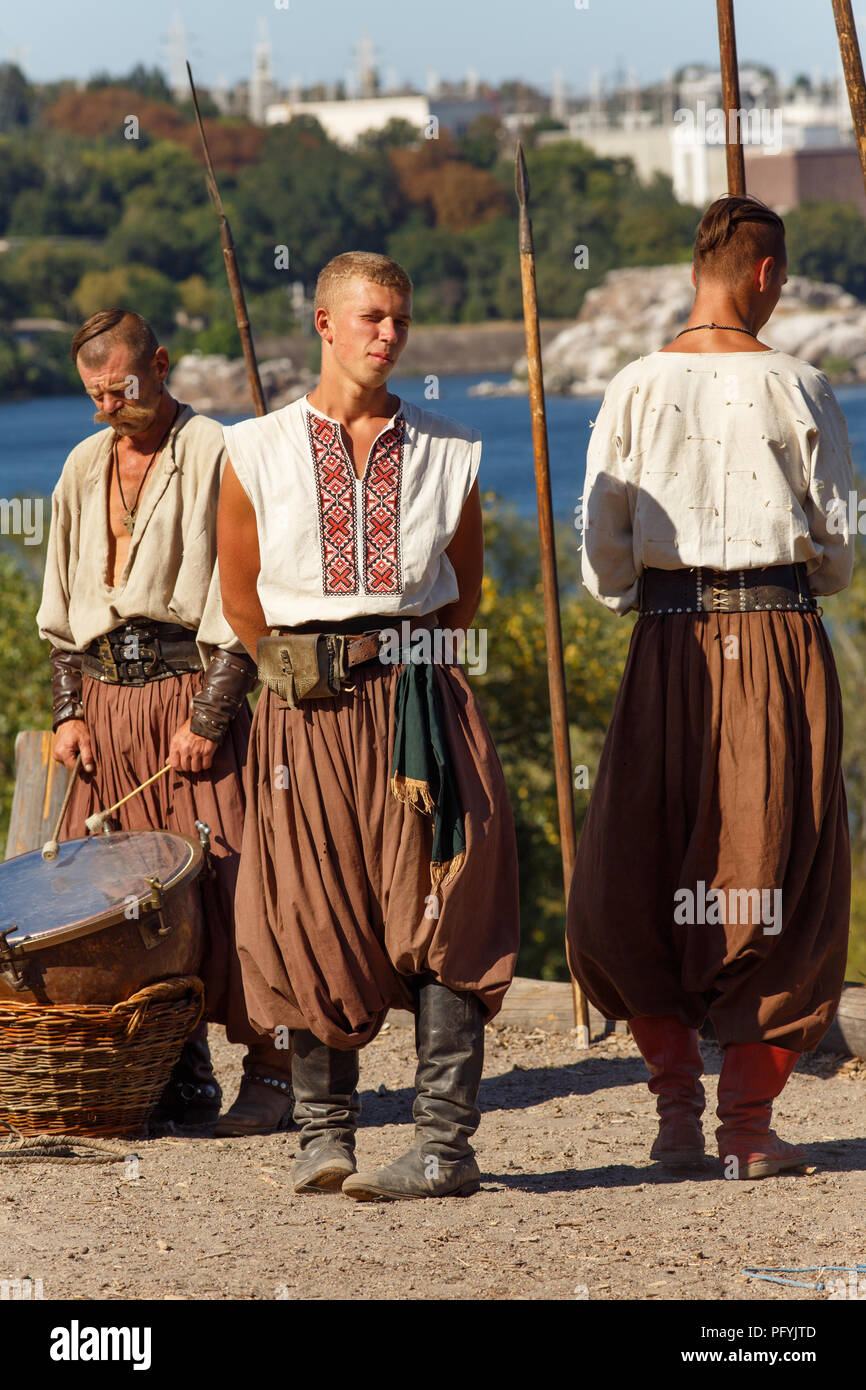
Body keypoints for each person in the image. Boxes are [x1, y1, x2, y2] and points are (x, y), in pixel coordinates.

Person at [218, 251, 519, 1200]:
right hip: (303, 712)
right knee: (310, 907)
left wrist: (400, 672)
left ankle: (443, 1147)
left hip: (419, 702)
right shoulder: (253, 449)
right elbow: (241, 600)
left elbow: (462, 597)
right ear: (324, 324)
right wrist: (310, 678)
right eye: (372, 318)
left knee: (442, 904)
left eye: (399, 319)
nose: (389, 335)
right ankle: (323, 1134)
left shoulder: (450, 447)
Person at [567, 196, 853, 1180]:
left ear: (698, 269)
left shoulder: (633, 385)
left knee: (639, 859)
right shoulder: (800, 384)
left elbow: (601, 554)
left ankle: (676, 1117)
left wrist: (642, 595)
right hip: (775, 637)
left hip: (664, 641)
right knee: (786, 867)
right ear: (765, 275)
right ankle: (745, 1127)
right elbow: (837, 551)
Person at [36, 308, 294, 1136]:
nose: (104, 408)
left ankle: (273, 1075)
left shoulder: (219, 450)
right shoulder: (82, 465)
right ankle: (173, 1078)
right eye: (93, 395)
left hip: (191, 693)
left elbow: (247, 598)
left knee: (231, 889)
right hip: (106, 709)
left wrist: (211, 716)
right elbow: (61, 613)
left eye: (118, 389)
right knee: (120, 906)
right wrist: (70, 713)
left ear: (161, 362)